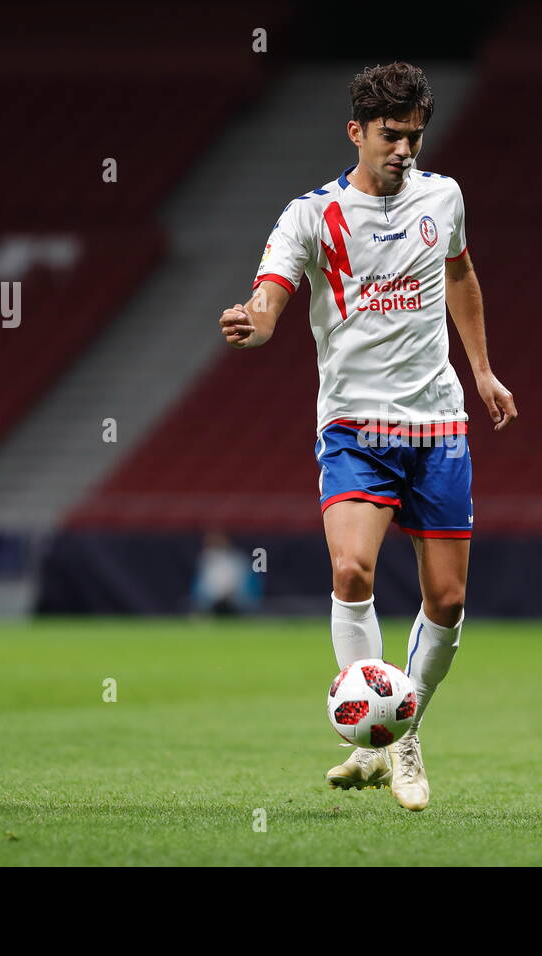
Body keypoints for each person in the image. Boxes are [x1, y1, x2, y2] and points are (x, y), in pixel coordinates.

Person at [219, 62, 517, 810]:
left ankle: (395, 727)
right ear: (356, 131)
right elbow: (272, 289)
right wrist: (257, 321)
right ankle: (387, 739)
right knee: (352, 570)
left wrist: (481, 369)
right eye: (391, 136)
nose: (405, 149)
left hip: (438, 424)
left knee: (445, 601)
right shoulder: (311, 216)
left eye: (415, 135)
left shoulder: (442, 197)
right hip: (355, 424)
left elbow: (461, 276)